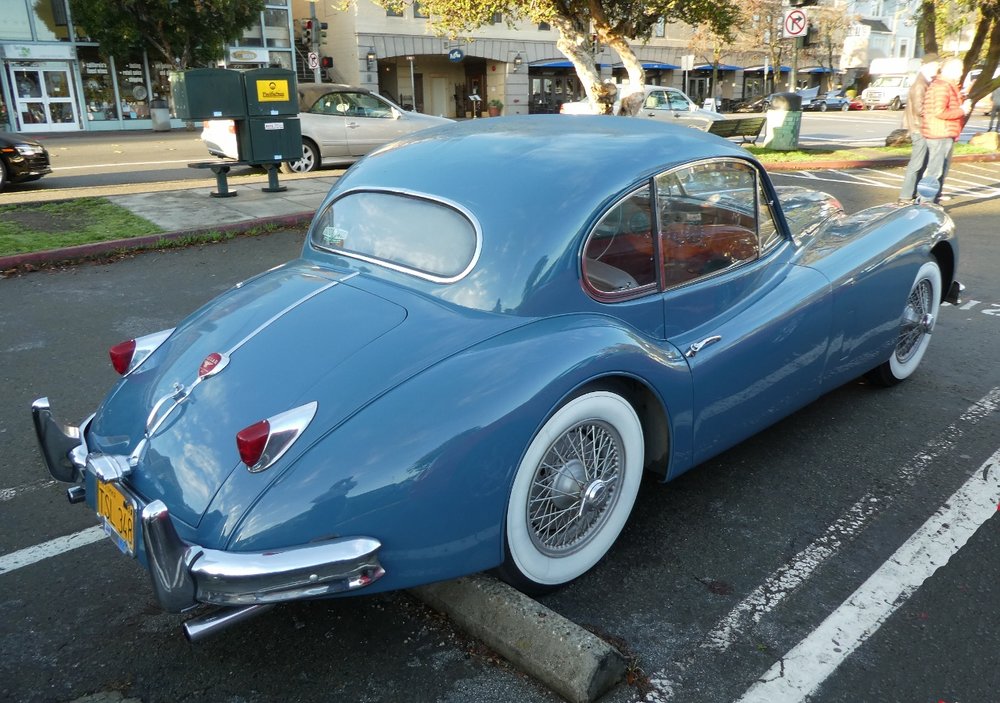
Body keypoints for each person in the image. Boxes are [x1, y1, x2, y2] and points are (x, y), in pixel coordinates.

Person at [921, 57, 972, 204]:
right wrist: (962, 110)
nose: (961, 73)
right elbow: (939, 111)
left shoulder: (944, 85)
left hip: (942, 131)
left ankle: (931, 200)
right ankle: (926, 202)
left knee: (938, 169)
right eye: (960, 70)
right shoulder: (942, 86)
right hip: (940, 132)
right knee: (935, 171)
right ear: (950, 69)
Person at [898, 54, 940, 203]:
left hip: (921, 128)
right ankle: (905, 195)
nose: (938, 68)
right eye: (936, 65)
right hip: (919, 128)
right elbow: (919, 109)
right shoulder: (920, 84)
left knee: (921, 163)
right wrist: (936, 114)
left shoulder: (924, 81)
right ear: (927, 66)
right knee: (916, 164)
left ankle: (912, 192)